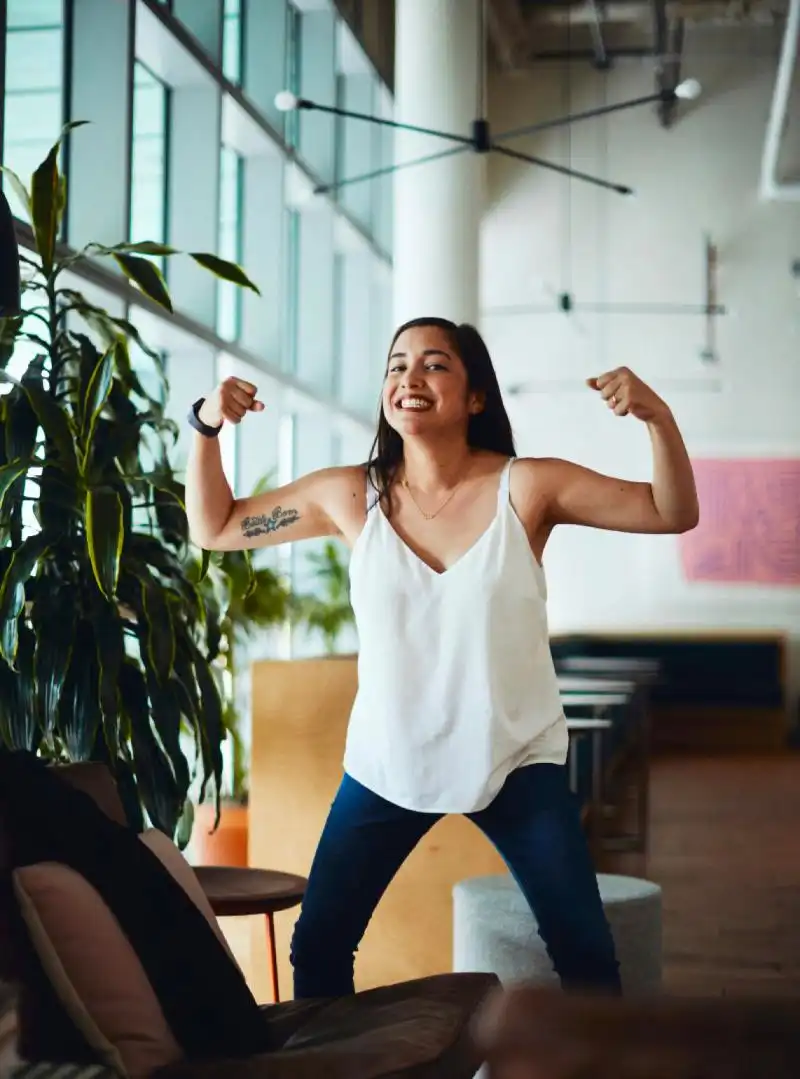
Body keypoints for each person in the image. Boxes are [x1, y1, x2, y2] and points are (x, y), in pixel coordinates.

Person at [185, 317, 699, 1000]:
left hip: (515, 757)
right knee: (320, 945)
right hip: (387, 764)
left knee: (584, 954)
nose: (409, 379)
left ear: (475, 396)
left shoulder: (528, 487)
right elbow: (214, 526)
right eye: (397, 366)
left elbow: (671, 511)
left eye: (434, 365)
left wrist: (657, 418)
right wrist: (206, 425)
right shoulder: (350, 495)